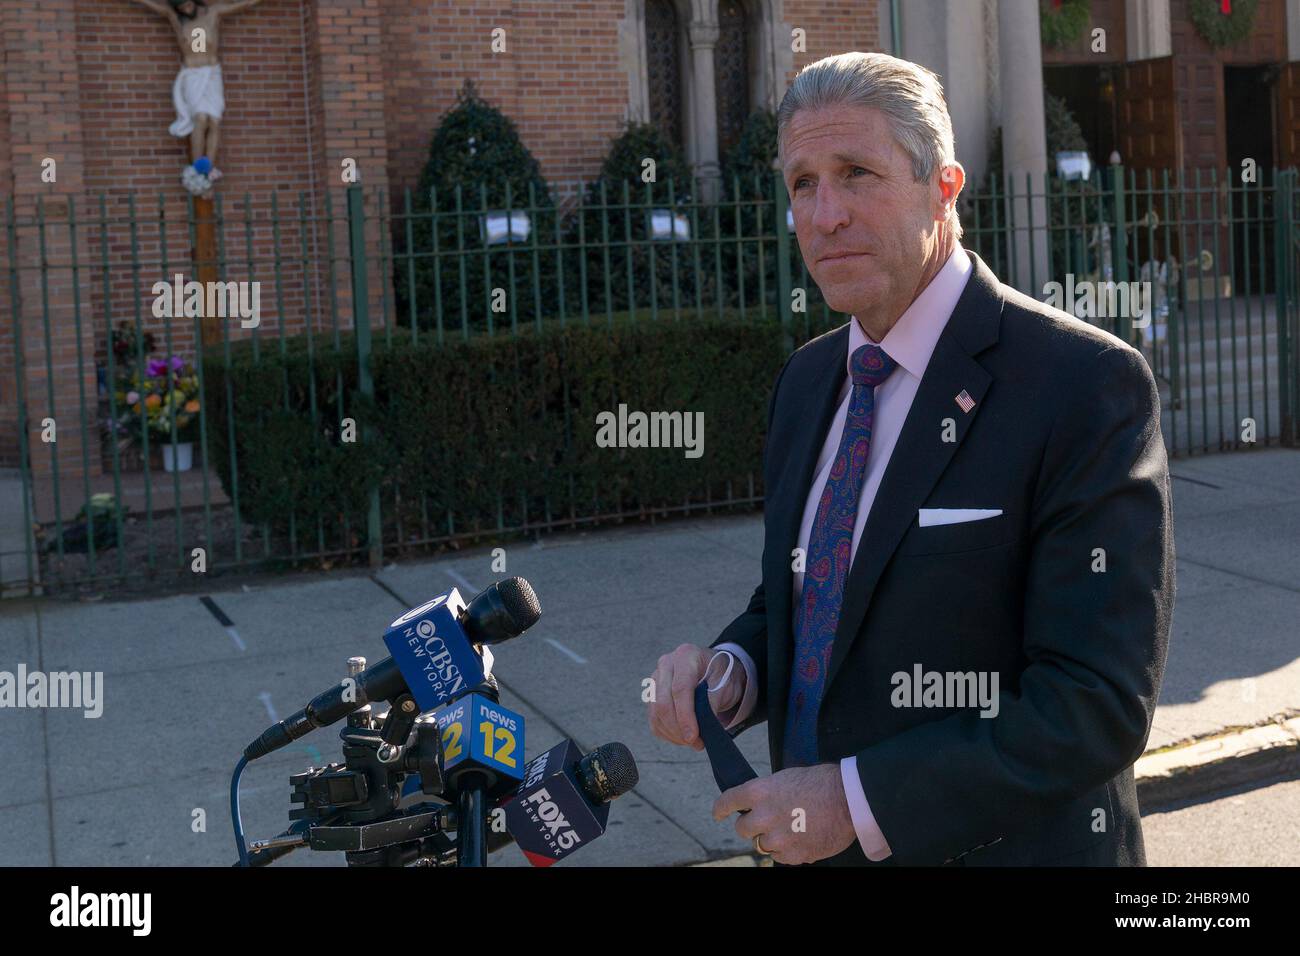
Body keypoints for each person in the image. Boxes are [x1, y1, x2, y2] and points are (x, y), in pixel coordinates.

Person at [647, 51, 1173, 867]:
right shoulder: (808, 379)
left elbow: (1094, 702)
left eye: (857, 173)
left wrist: (856, 801)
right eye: (802, 183)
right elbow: (809, 589)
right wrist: (734, 668)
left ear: (945, 188)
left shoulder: (1084, 384)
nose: (825, 215)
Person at [131, 0, 266, 178]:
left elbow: (243, 4)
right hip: (193, 75)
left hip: (211, 74)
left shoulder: (212, 13)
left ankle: (207, 168)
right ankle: (197, 168)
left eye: (188, 4)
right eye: (181, 8)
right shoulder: (177, 19)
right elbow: (155, 6)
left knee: (214, 121)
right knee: (200, 119)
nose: (186, 9)